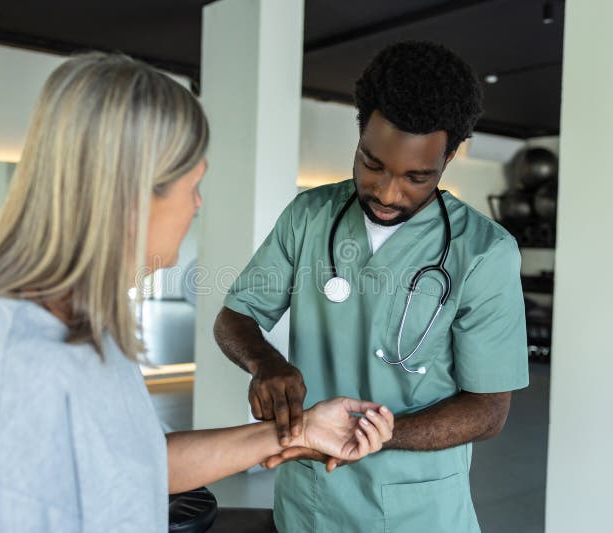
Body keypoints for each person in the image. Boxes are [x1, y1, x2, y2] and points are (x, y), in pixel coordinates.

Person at [0, 53, 394, 533]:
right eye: (193, 185)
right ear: (130, 195)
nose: (197, 205)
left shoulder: (82, 328)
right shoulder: (21, 377)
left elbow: (139, 462)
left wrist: (299, 431)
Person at [214, 41, 529, 532]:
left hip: (418, 510)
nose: (386, 193)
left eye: (416, 177)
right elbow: (237, 314)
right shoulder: (309, 216)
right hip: (308, 500)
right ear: (360, 133)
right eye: (372, 163)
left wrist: (374, 435)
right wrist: (266, 362)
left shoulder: (485, 252)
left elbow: (488, 410)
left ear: (449, 158)